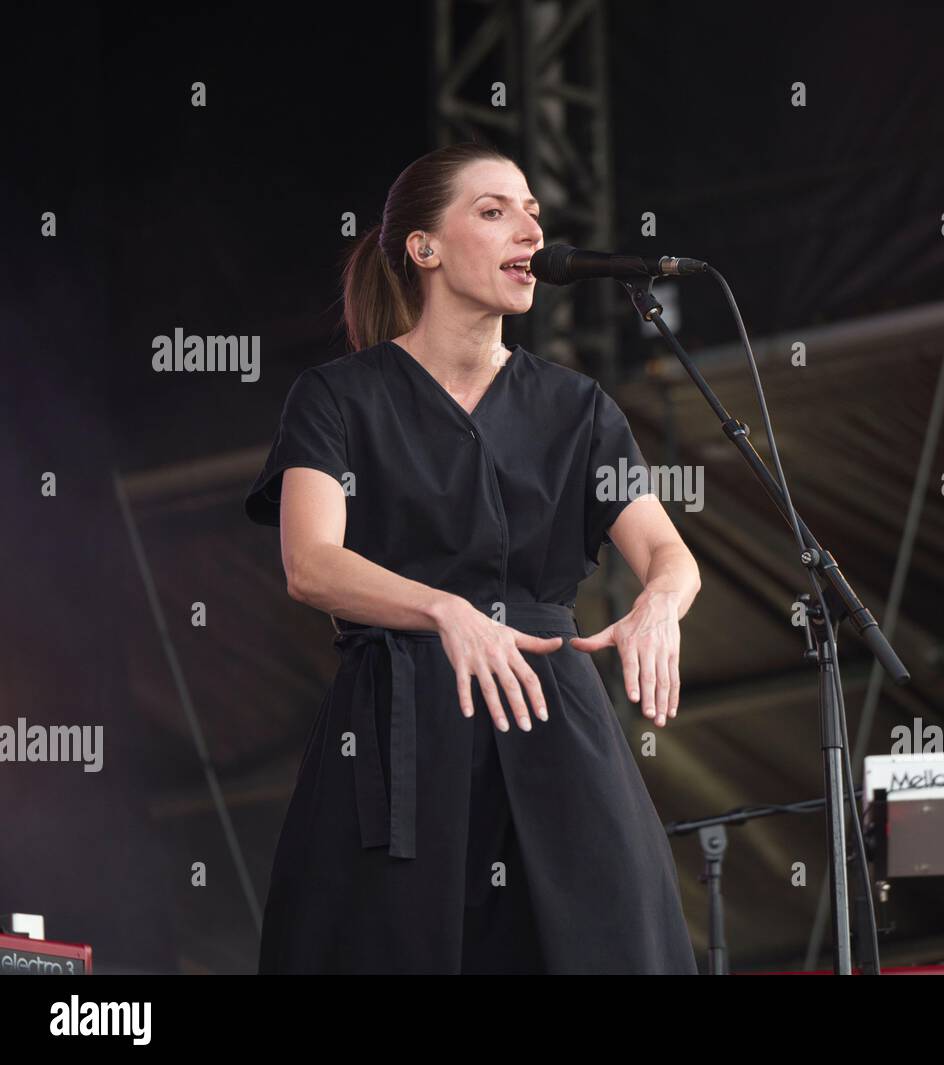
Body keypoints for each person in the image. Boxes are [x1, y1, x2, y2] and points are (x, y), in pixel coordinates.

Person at [243, 142, 701, 974]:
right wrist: (446, 611)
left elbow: (668, 550)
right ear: (423, 249)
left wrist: (660, 603)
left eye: (531, 208)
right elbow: (310, 562)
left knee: (608, 940)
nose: (527, 226)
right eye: (493, 210)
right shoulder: (339, 398)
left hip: (551, 713)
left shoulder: (575, 405)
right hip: (401, 722)